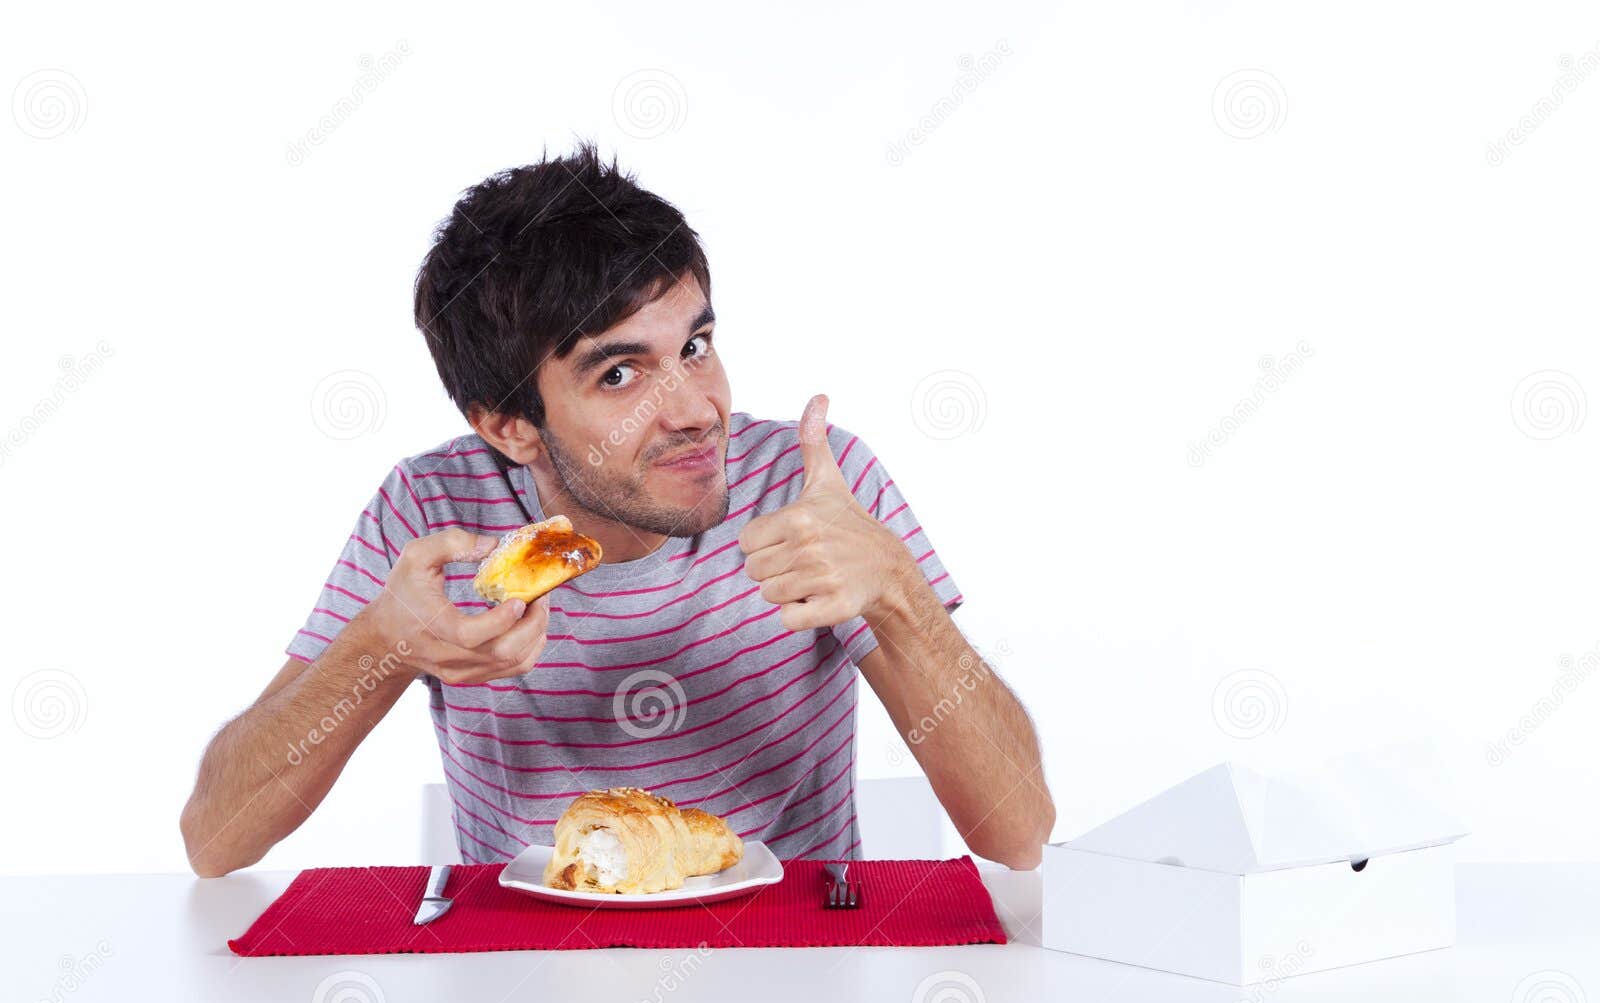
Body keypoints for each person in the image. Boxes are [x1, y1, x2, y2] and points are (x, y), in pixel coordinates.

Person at [180, 146, 1053, 877]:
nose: (696, 409)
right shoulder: (434, 511)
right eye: (620, 374)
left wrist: (894, 592)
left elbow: (1020, 832)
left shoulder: (809, 482)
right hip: (526, 995)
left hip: (794, 977)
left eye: (696, 347)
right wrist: (375, 648)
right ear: (508, 425)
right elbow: (215, 840)